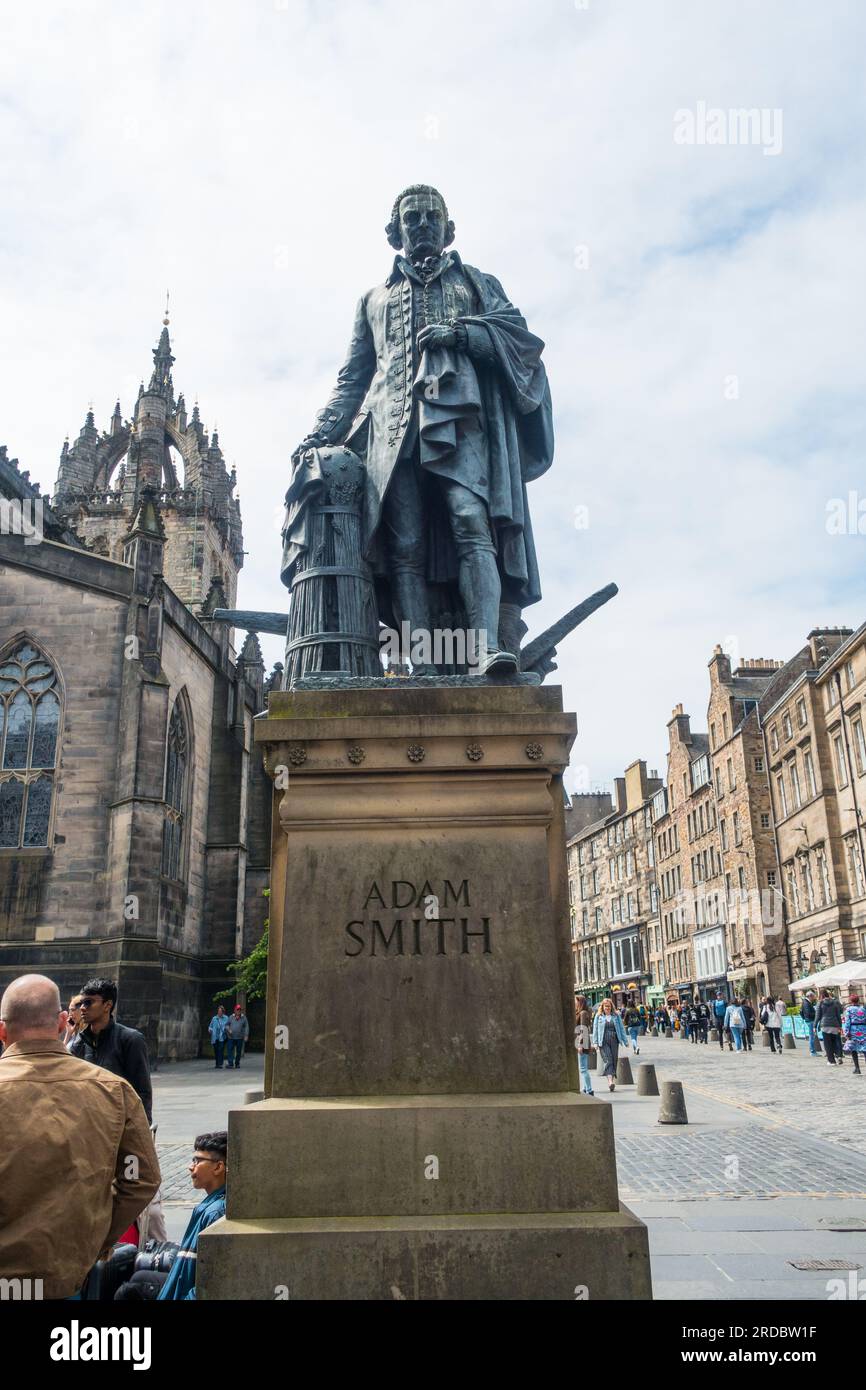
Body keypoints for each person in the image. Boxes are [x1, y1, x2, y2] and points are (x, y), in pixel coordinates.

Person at [0, 974, 160, 1300]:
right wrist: (100, 1238)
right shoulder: (114, 1090)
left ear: (2, 1030)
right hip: (66, 1273)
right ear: (62, 1023)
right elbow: (141, 1178)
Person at [69, 978, 152, 1122]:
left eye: (89, 1002)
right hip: (86, 1126)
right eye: (81, 1003)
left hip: (118, 1125)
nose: (82, 1007)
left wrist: (142, 1131)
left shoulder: (130, 1039)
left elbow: (142, 1092)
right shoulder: (79, 1044)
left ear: (107, 1005)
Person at [157, 1132, 227, 1300]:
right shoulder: (210, 1206)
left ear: (218, 1167)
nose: (191, 1166)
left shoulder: (215, 1214)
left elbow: (210, 1282)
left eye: (198, 1160)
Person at [592, 998, 628, 1093]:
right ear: (602, 1007)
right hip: (603, 1041)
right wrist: (595, 1043)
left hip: (614, 1040)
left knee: (614, 1060)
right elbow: (595, 1030)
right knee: (608, 1060)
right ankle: (610, 1082)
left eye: (608, 1006)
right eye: (605, 1006)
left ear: (611, 1006)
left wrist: (625, 1041)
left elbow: (621, 1028)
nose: (607, 1008)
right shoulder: (598, 1016)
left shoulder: (616, 1016)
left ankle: (611, 1078)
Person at [816, 989, 844, 1066]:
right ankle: (839, 1055)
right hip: (835, 1024)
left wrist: (815, 1025)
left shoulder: (820, 1003)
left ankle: (831, 1061)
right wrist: (840, 1026)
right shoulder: (835, 1002)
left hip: (825, 1025)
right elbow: (838, 1015)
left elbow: (818, 1016)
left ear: (821, 996)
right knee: (835, 1041)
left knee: (827, 1044)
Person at [574, 996, 594, 1097]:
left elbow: (583, 1029)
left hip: (583, 1042)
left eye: (576, 1001)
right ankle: (586, 1088)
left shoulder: (583, 1013)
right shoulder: (582, 1013)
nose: (575, 1003)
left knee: (583, 1069)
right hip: (582, 1042)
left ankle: (589, 1089)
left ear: (580, 1002)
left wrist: (580, 1045)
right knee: (583, 1067)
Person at [842, 993, 866, 1075]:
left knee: (853, 1049)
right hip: (863, 1030)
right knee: (864, 1049)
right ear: (858, 1000)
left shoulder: (849, 1009)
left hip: (853, 1030)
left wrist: (846, 1032)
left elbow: (847, 1022)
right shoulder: (863, 1009)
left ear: (850, 1000)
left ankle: (857, 1068)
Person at [225, 1004, 250, 1069]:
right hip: (231, 1037)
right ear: (235, 1010)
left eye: (239, 1010)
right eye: (237, 1010)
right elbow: (226, 1025)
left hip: (240, 1037)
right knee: (230, 1050)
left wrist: (246, 1035)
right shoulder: (231, 1017)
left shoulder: (243, 1017)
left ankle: (237, 1063)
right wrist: (229, 1029)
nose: (239, 1011)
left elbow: (246, 1027)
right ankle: (230, 1063)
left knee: (239, 1051)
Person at [208, 1005, 229, 1069]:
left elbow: (228, 1025)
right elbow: (210, 1026)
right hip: (215, 1037)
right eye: (218, 1011)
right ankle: (217, 1063)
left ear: (223, 1012)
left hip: (222, 1037)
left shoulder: (226, 1018)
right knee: (216, 1051)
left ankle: (220, 1064)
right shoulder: (214, 1018)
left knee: (221, 1050)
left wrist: (227, 1029)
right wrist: (210, 1030)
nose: (219, 1012)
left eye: (220, 1011)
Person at [801, 989, 820, 1056]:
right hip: (810, 1020)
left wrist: (804, 1018)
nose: (813, 998)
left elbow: (801, 1012)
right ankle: (812, 1051)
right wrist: (815, 1014)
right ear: (810, 996)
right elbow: (808, 1013)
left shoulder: (805, 1002)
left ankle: (812, 1050)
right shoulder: (806, 1002)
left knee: (812, 1036)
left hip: (809, 1020)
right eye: (813, 997)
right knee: (812, 1036)